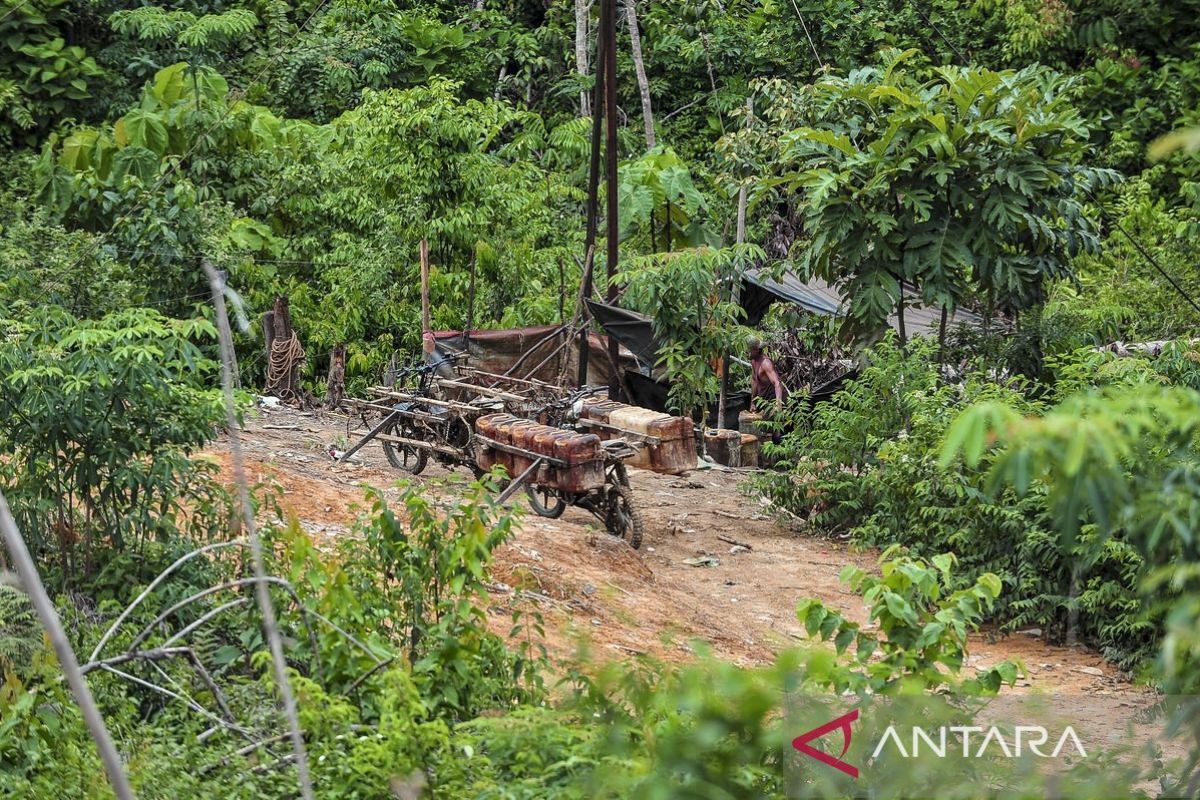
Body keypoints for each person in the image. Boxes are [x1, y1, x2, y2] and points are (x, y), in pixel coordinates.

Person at [747, 336, 786, 411]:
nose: (746, 353)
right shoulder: (753, 361)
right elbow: (754, 381)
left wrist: (778, 405)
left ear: (756, 350)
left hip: (773, 400)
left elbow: (777, 383)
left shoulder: (765, 363)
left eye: (749, 351)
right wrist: (753, 402)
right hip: (764, 400)